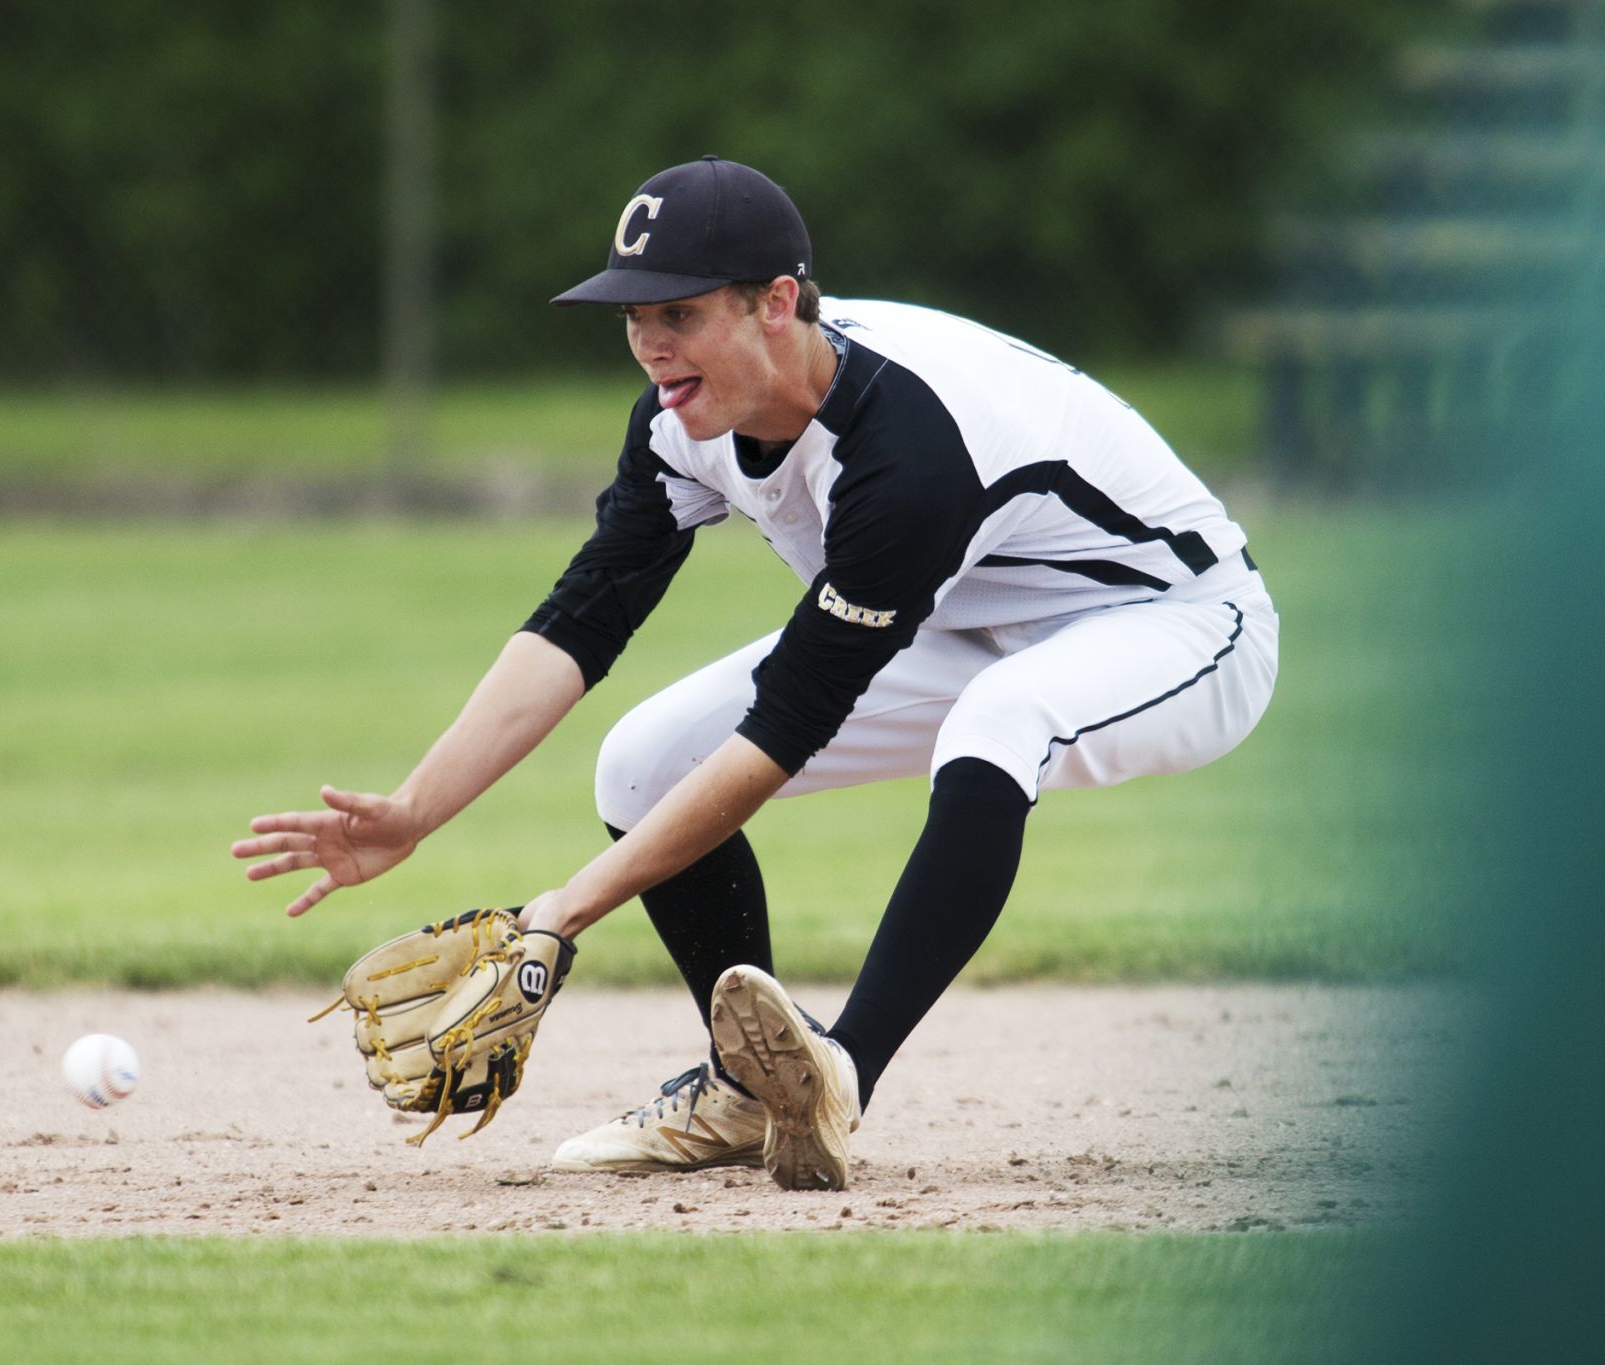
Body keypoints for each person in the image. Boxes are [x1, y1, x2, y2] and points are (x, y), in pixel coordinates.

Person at [232, 157, 1279, 1191]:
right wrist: (417, 809)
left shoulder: (905, 449)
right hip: (965, 614)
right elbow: (585, 614)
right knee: (642, 762)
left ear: (775, 304)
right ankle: (745, 1088)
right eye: (631, 316)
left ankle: (842, 1074)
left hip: (1175, 621)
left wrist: (560, 912)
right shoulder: (682, 422)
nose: (648, 344)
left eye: (676, 313)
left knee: (999, 721)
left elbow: (788, 727)